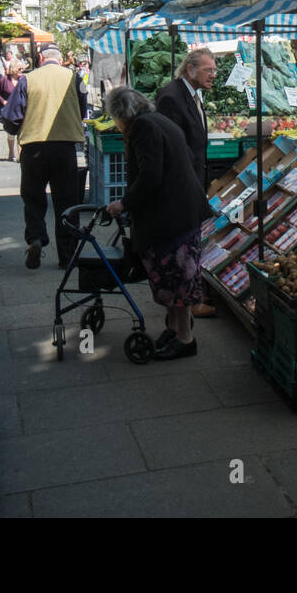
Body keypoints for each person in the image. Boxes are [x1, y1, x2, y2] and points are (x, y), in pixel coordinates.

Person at [103, 87, 213, 360]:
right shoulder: (158, 120)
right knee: (175, 279)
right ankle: (176, 330)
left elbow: (150, 176)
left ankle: (185, 340)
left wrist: (123, 203)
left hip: (171, 217)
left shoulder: (143, 127)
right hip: (179, 212)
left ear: (121, 114)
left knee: (176, 279)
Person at [0, 47, 87, 269]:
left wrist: (16, 129)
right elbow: (82, 108)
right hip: (65, 146)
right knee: (67, 201)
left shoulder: (28, 79)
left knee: (33, 198)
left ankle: (36, 238)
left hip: (33, 146)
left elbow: (12, 116)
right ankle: (67, 255)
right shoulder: (73, 78)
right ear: (60, 60)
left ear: (40, 58)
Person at [155, 48, 217, 317]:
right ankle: (187, 304)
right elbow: (172, 147)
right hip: (182, 186)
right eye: (208, 70)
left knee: (192, 243)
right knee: (186, 247)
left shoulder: (192, 94)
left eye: (214, 70)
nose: (213, 75)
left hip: (193, 181)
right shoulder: (171, 96)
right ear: (190, 69)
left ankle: (188, 301)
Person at [0, 59, 24, 161]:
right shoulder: (4, 80)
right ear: (14, 69)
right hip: (9, 110)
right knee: (11, 133)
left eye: (22, 68)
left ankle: (21, 155)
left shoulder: (24, 79)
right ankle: (11, 153)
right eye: (19, 68)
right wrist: (3, 102)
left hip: (21, 109)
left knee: (21, 133)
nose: (21, 70)